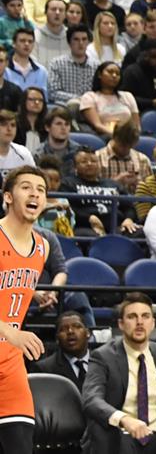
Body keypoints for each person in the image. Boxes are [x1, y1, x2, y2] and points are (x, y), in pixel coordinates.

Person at [82, 293, 156, 454]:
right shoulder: (103, 356)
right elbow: (92, 399)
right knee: (107, 431)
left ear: (152, 323)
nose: (139, 322)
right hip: (121, 434)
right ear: (121, 324)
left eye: (145, 316)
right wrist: (124, 420)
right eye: (132, 317)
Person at [0, 167, 46, 454]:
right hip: (9, 339)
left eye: (41, 190)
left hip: (10, 362)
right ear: (7, 196)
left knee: (20, 445)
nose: (35, 194)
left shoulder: (42, 247)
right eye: (26, 187)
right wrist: (8, 331)